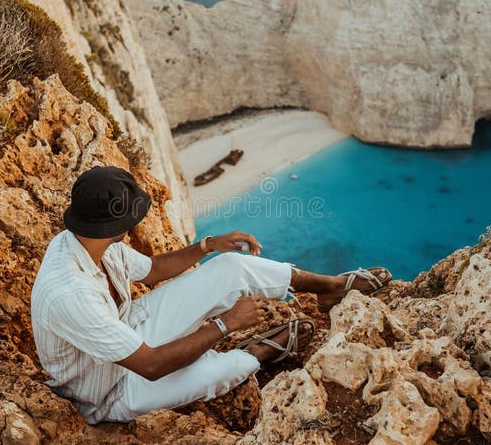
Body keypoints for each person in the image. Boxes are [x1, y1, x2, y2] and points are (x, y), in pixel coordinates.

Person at [31, 166, 391, 424]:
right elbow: (151, 366)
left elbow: (154, 269)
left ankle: (329, 287)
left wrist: (207, 246)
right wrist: (225, 324)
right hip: (106, 391)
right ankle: (259, 352)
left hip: (129, 332)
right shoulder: (70, 292)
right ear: (116, 227)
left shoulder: (93, 243)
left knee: (231, 267)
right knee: (212, 372)